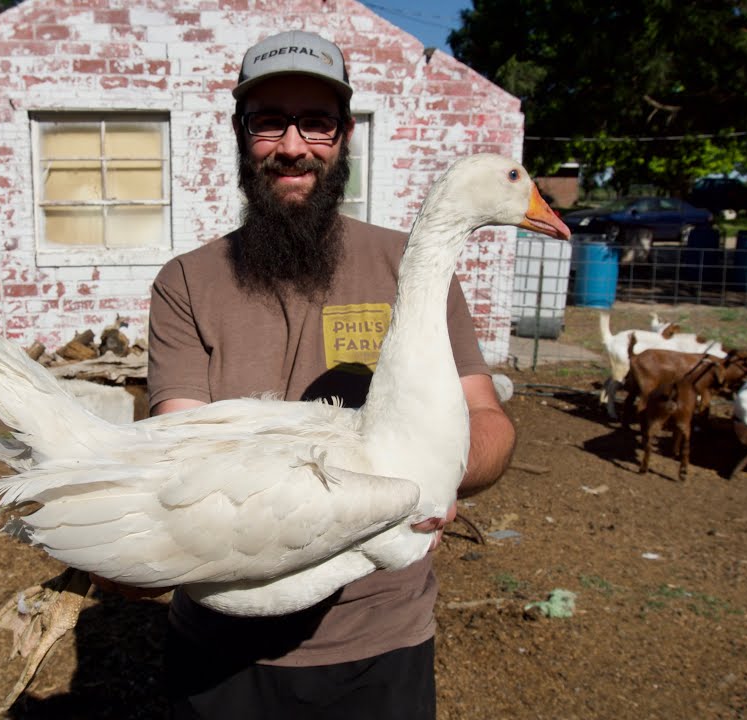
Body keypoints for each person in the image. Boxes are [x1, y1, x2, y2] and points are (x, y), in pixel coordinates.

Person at [140, 29, 516, 719]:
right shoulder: (186, 283)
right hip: (226, 644)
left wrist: (437, 475)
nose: (292, 146)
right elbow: (180, 449)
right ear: (239, 133)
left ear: (344, 135)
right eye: (268, 122)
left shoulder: (414, 268)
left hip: (380, 644)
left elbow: (487, 421)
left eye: (316, 122)